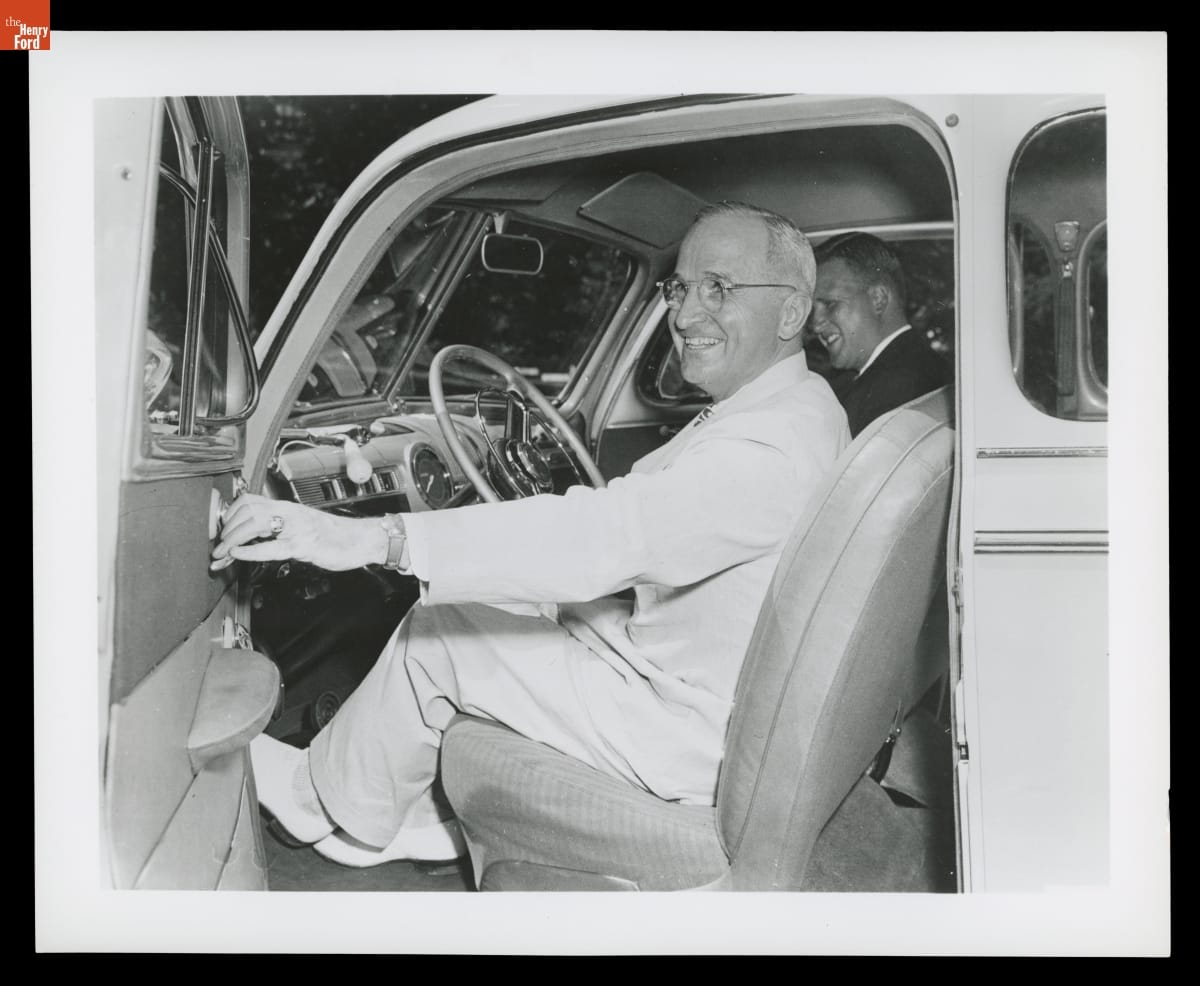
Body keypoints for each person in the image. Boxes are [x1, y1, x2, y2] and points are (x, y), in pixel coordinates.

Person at [211, 202, 850, 867]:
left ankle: (323, 807)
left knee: (443, 625)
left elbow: (608, 535)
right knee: (517, 602)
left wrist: (379, 537)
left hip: (682, 729)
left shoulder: (764, 449)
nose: (685, 315)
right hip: (703, 684)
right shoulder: (803, 409)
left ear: (790, 311)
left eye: (719, 287)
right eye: (680, 288)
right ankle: (421, 807)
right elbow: (647, 532)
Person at [811, 232, 951, 437]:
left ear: (878, 298)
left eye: (830, 305)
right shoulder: (918, 369)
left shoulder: (899, 391)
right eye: (812, 310)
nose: (815, 325)